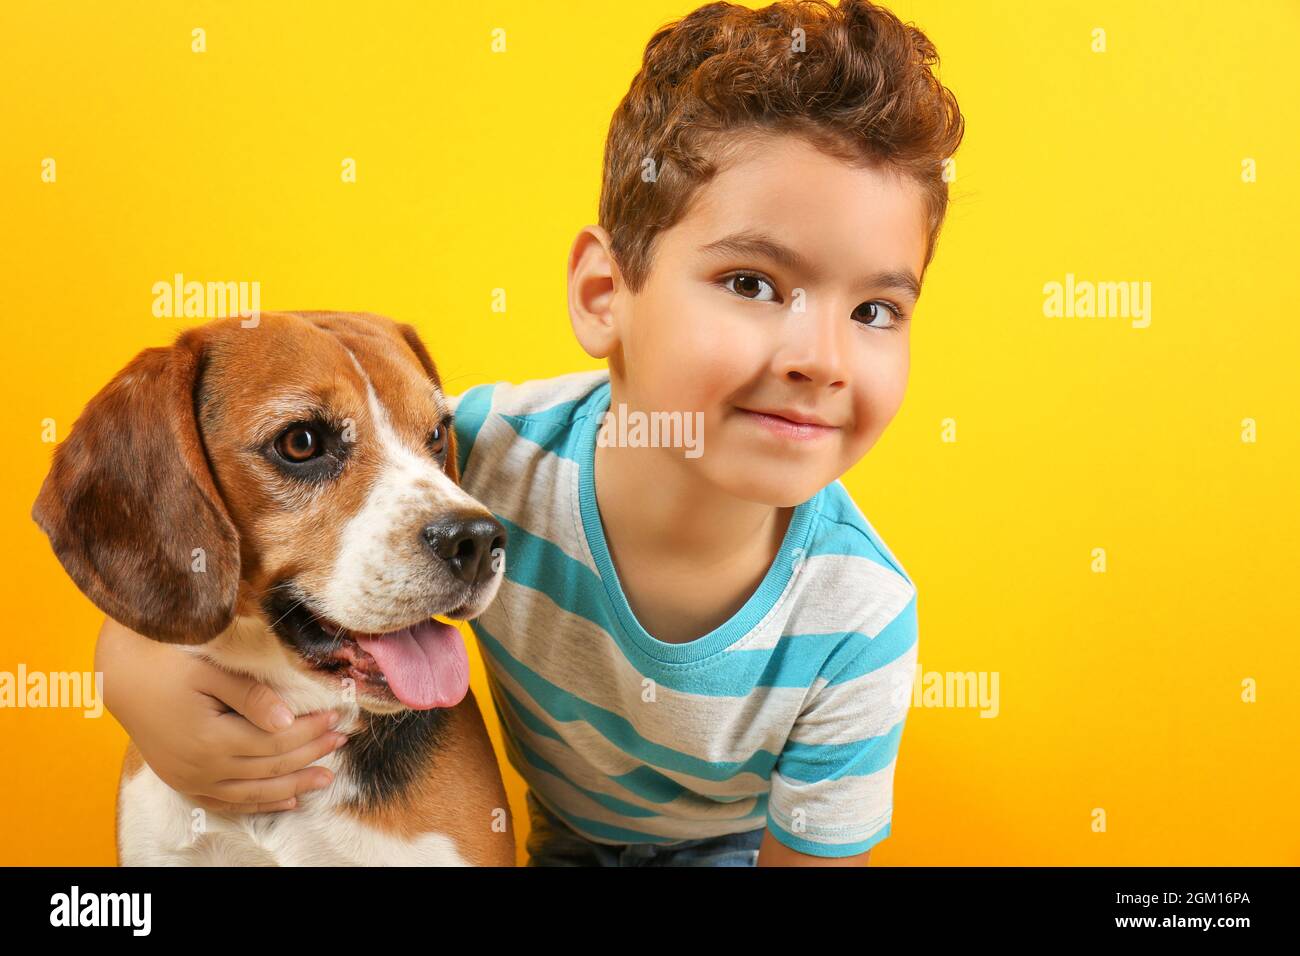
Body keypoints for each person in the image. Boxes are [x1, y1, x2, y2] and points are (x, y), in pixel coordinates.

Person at [95, 0, 964, 866]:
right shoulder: (486, 456)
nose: (822, 357)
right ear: (602, 295)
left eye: (876, 308)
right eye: (751, 283)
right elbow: (150, 532)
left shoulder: (862, 617)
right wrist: (134, 681)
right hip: (565, 844)